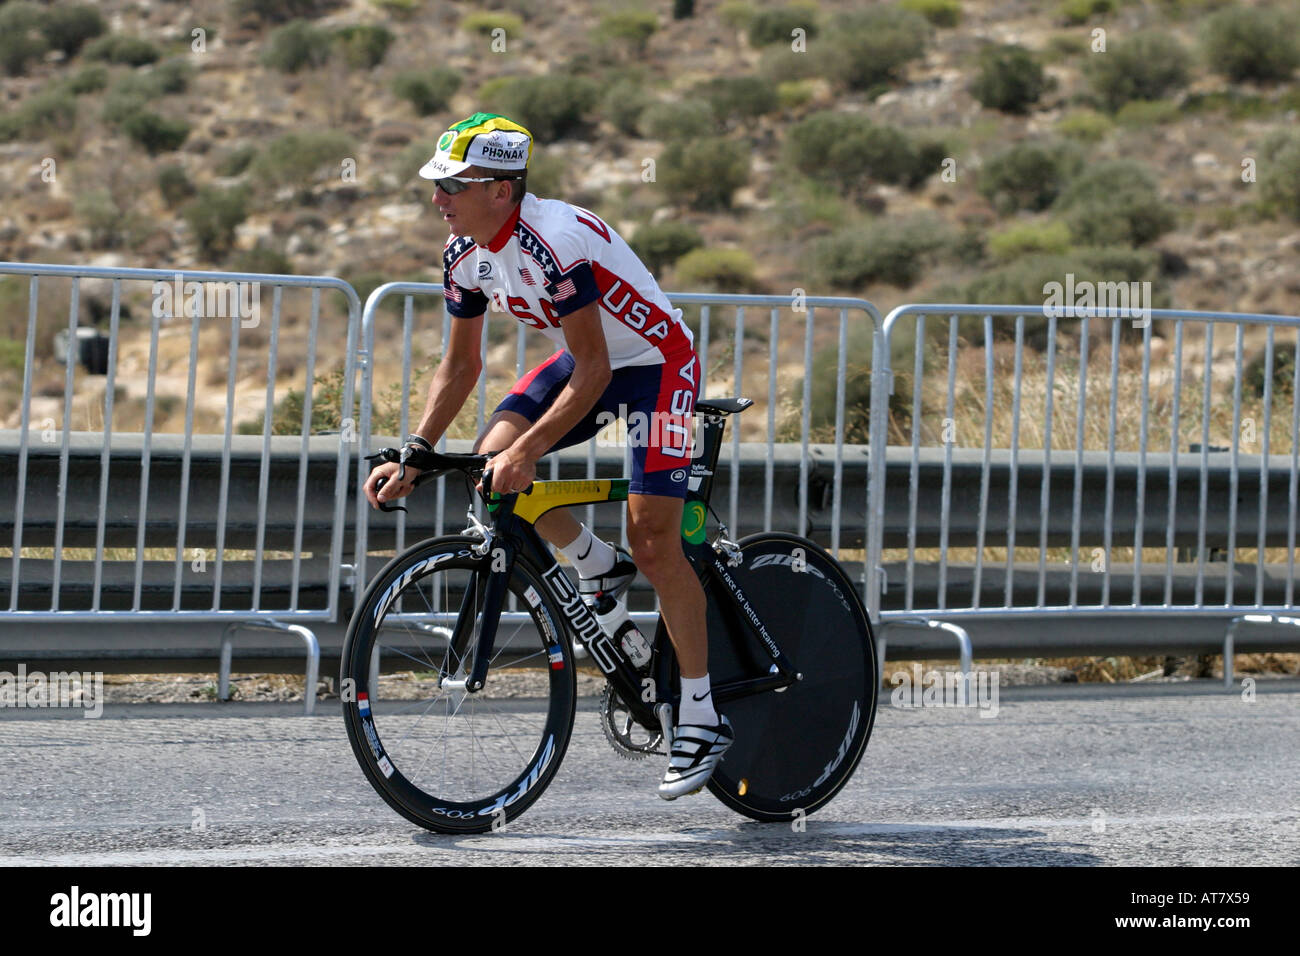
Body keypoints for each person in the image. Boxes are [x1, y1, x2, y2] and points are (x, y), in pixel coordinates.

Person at [362, 112, 732, 800]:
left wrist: (530, 450)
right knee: (490, 468)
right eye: (436, 184)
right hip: (588, 364)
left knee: (655, 541)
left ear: (501, 190)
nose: (437, 198)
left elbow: (595, 369)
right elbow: (460, 365)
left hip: (656, 365)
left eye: (452, 185)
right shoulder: (463, 253)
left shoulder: (554, 240)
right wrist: (417, 452)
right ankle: (595, 564)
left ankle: (703, 716)